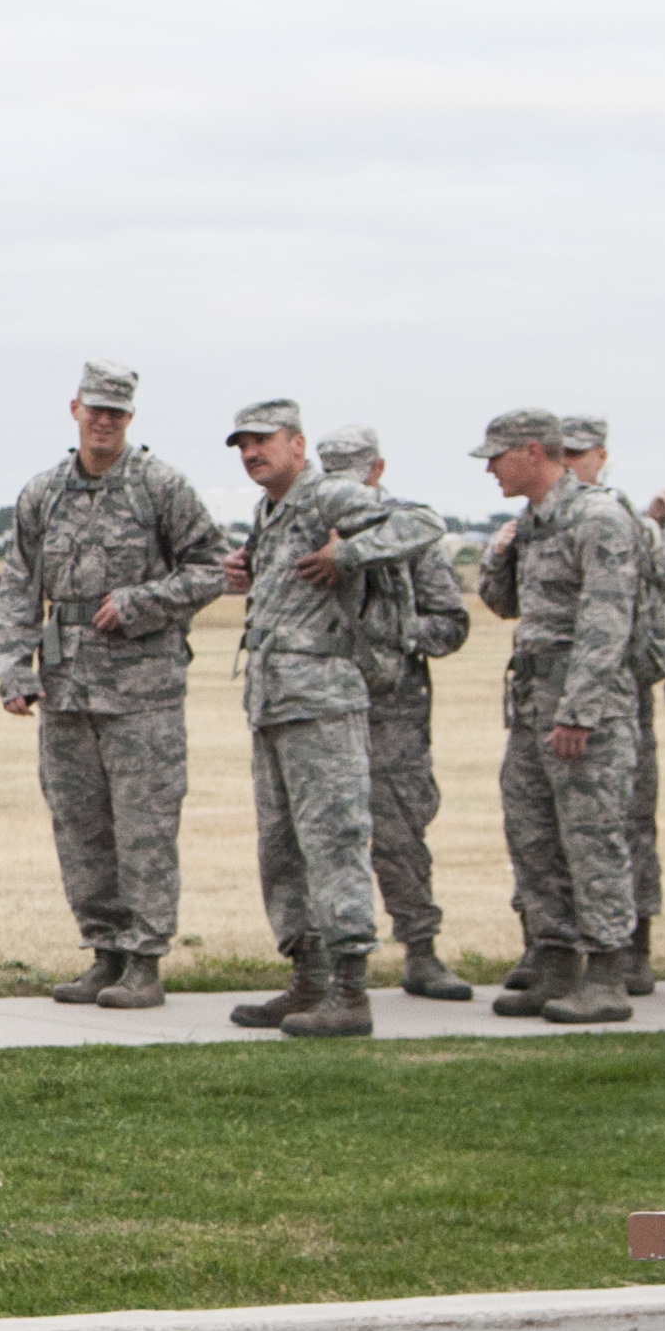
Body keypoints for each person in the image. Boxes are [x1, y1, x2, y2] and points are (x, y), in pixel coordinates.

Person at [0, 359, 232, 1009]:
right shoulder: (43, 493)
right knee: (80, 827)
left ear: (130, 418)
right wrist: (15, 669)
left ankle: (145, 962)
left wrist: (142, 601)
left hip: (143, 694)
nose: (104, 421)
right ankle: (103, 953)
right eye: (95, 409)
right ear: (75, 409)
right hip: (66, 690)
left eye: (117, 413)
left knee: (144, 827)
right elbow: (19, 584)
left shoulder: (160, 486)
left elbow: (219, 567)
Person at [214, 400, 438, 1038]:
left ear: (297, 443)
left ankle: (350, 992)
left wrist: (350, 556)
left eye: (262, 442)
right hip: (274, 703)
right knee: (282, 851)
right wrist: (244, 569)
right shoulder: (271, 510)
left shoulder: (327, 495)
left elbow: (421, 523)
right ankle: (307, 980)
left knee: (334, 842)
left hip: (323, 703)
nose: (251, 453)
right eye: (242, 445)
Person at [471, 407, 645, 1024]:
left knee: (591, 838)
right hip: (533, 703)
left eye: (498, 455)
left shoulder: (597, 517)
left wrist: (579, 712)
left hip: (582, 708)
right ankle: (554, 962)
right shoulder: (532, 524)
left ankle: (605, 973)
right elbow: (501, 604)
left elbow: (606, 623)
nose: (489, 468)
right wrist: (498, 554)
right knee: (533, 834)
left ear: (536, 452)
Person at [315, 426, 474, 998]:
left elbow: (451, 623)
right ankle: (319, 966)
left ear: (377, 471)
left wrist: (392, 634)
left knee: (400, 830)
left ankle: (421, 951)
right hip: (319, 700)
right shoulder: (307, 525)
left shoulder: (410, 533)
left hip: (393, 708)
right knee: (315, 833)